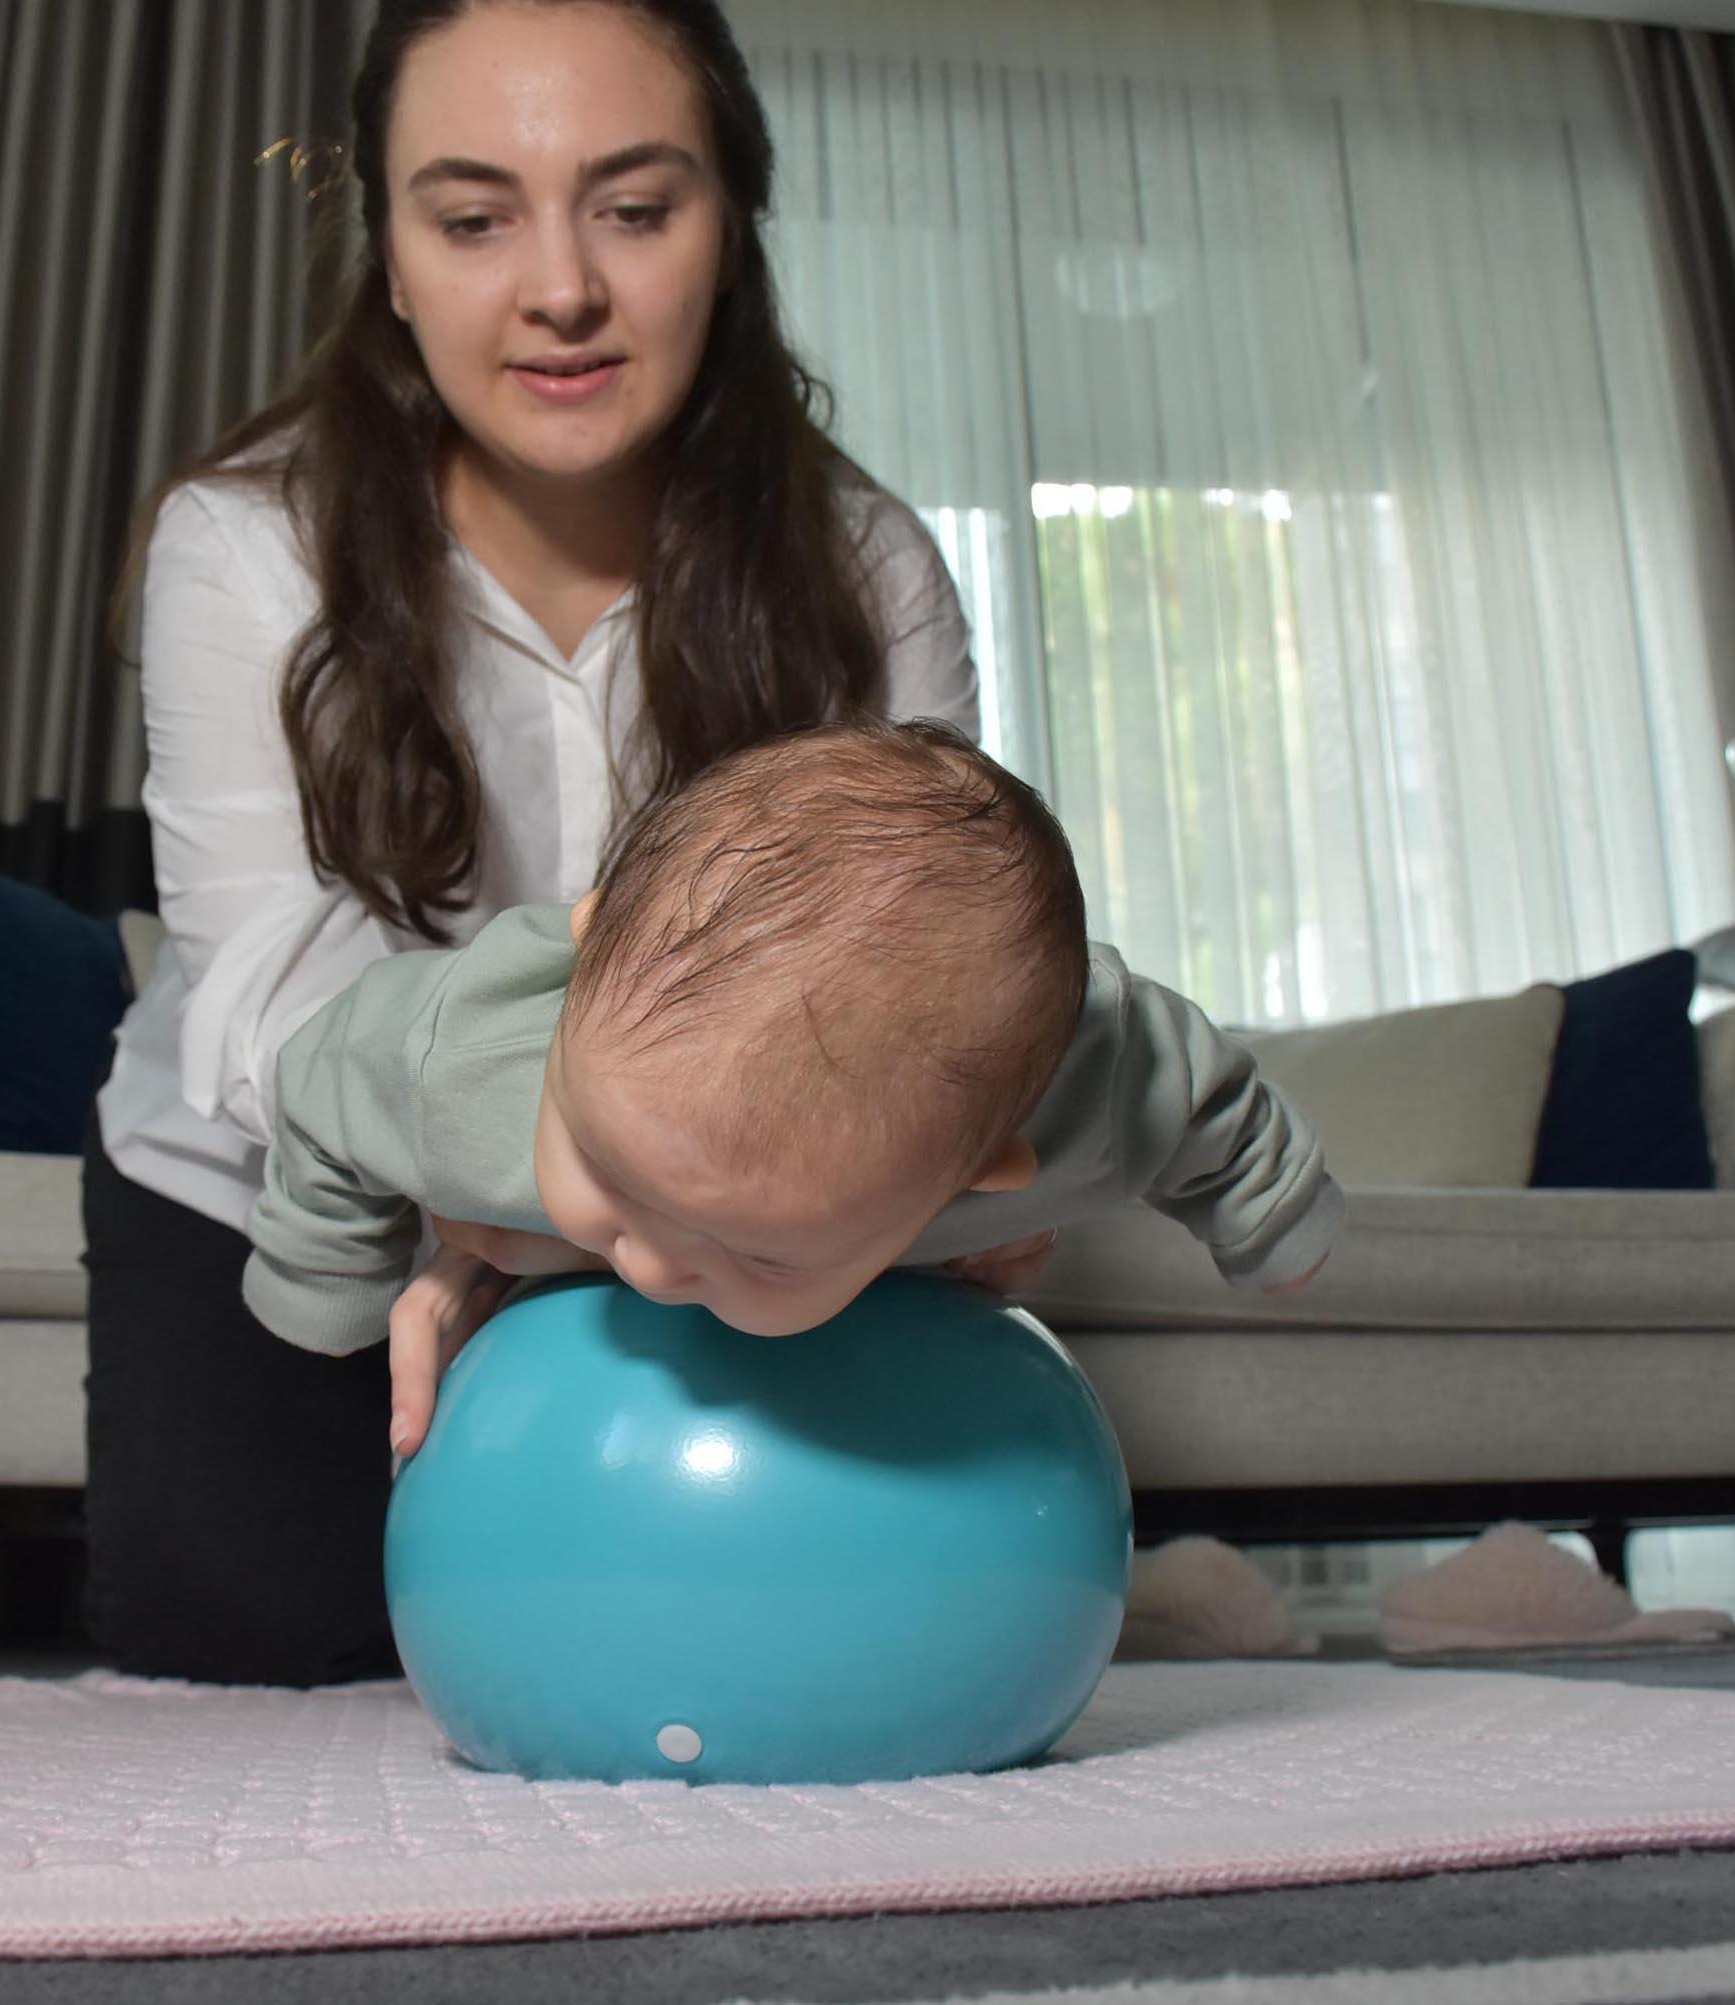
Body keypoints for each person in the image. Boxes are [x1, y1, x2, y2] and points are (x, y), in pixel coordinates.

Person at [86, 0, 1029, 1688]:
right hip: (292, 1203)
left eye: (636, 208)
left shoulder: (869, 566)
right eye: (469, 218)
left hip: (721, 1212)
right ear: (387, 253)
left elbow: (909, 980)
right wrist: (538, 1203)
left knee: (824, 1644)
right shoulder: (239, 551)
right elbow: (275, 1014)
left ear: (730, 228)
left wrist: (688, 1209)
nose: (560, 291)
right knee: (281, 1649)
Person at [242, 720, 1344, 1455]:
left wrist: (1270, 1221)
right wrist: (324, 1277)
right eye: (607, 1173)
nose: (654, 1263)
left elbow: (1211, 1100)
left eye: (762, 1251)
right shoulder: (459, 1060)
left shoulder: (1095, 1089)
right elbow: (319, 1076)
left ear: (983, 1176)